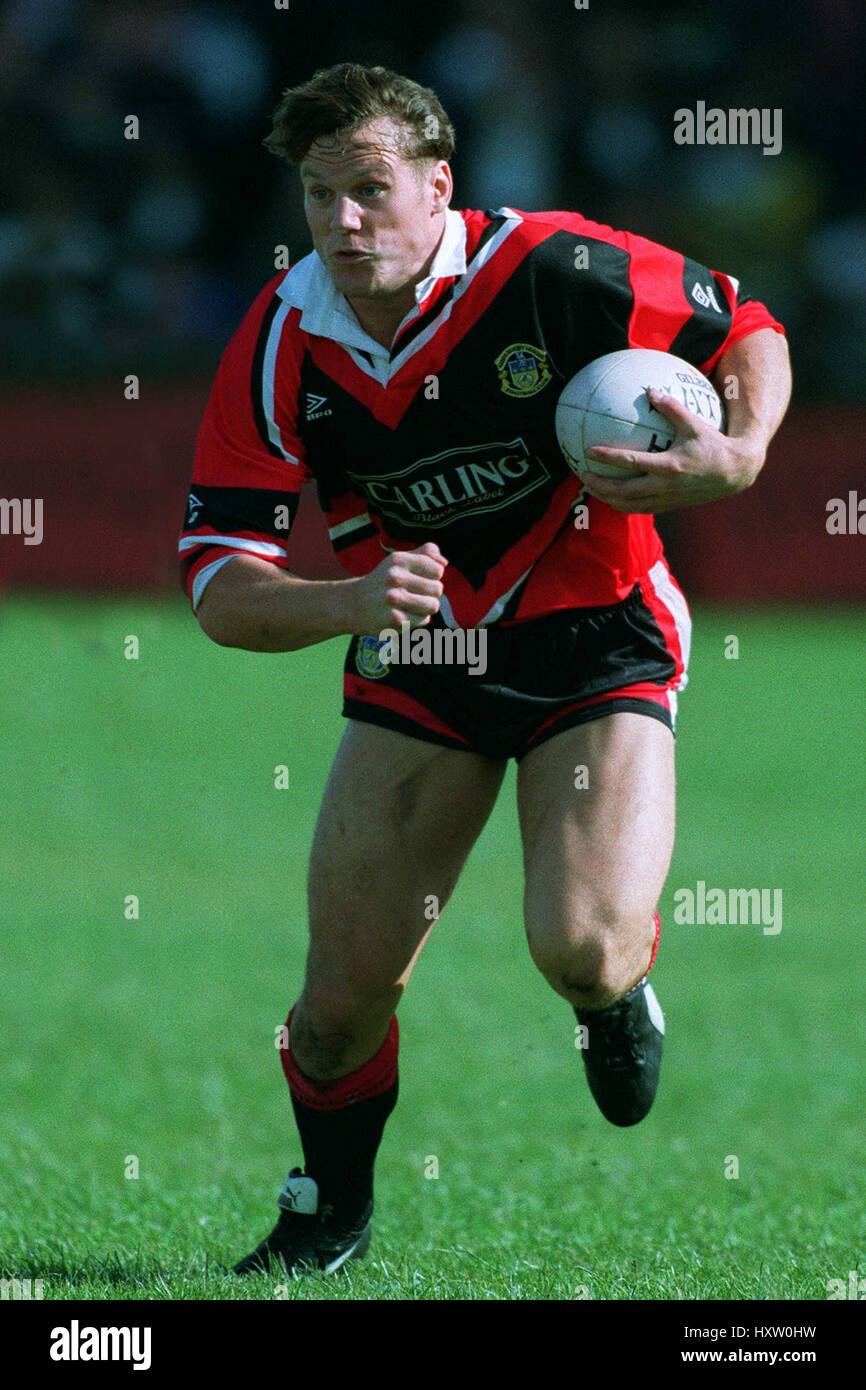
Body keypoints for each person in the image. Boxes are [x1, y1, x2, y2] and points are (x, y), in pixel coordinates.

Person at [179, 63, 791, 1277]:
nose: (343, 223)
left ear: (436, 185)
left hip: (596, 633)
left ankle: (614, 999)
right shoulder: (282, 336)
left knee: (580, 945)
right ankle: (325, 1212)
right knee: (338, 1003)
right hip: (422, 653)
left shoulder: (553, 268)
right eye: (319, 196)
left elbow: (743, 328)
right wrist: (344, 601)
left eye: (369, 190)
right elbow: (214, 584)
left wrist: (740, 452)